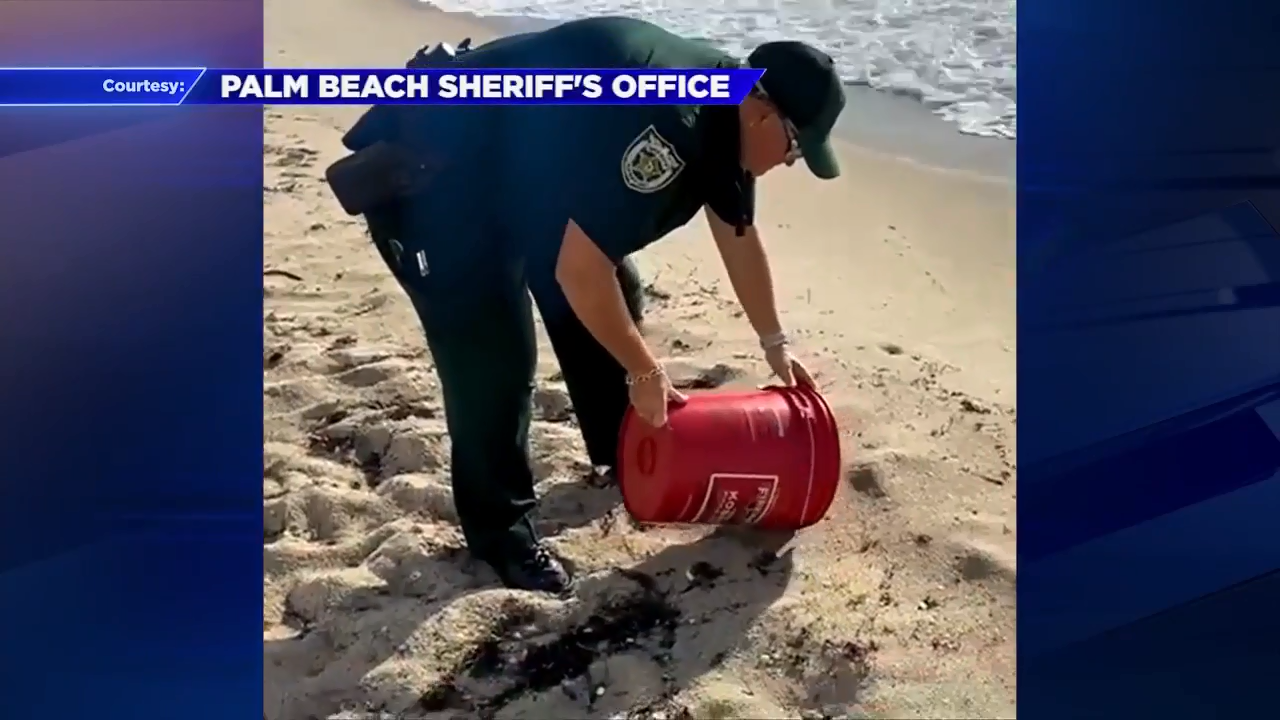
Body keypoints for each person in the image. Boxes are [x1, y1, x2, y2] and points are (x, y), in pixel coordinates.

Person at [327, 16, 845, 594]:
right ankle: (501, 535)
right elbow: (580, 269)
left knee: (615, 298)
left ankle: (620, 449)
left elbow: (738, 233)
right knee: (494, 362)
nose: (793, 161)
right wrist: (645, 369)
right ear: (763, 111)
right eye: (796, 145)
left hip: (520, 179)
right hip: (436, 184)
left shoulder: (727, 106)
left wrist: (776, 345)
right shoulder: (671, 124)